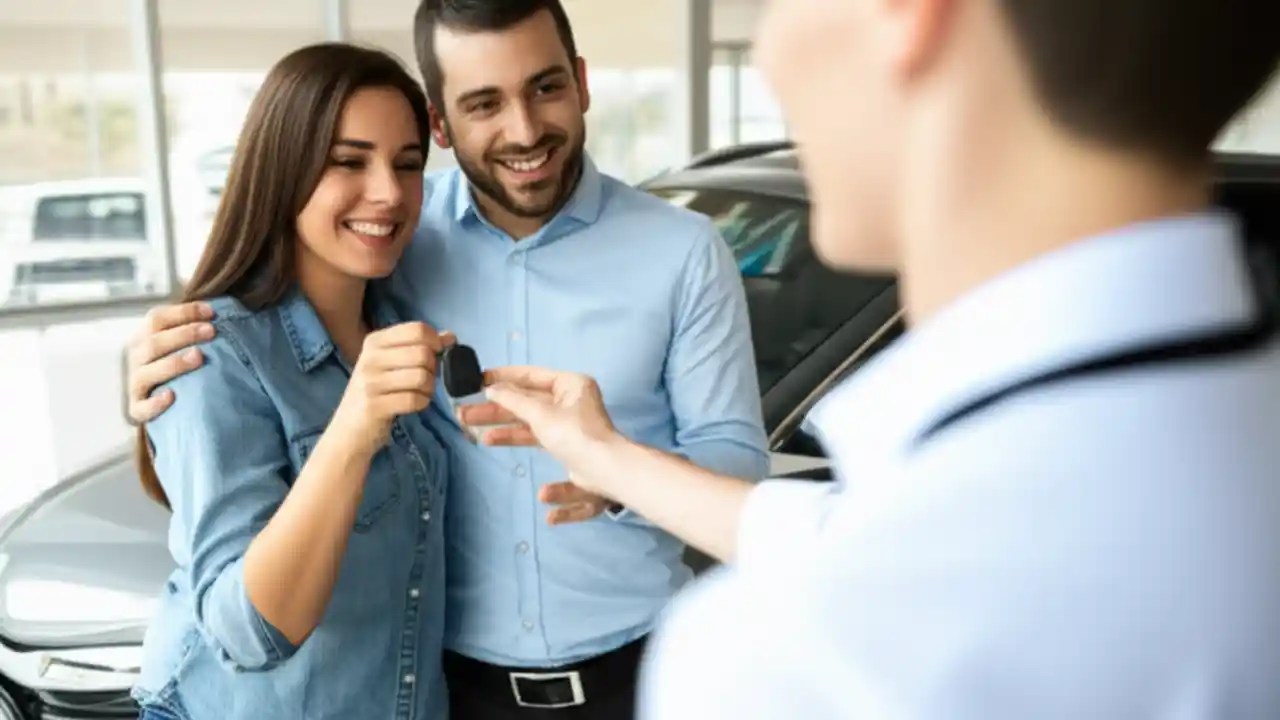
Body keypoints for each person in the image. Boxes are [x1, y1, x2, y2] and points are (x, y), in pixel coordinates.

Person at [463, 0, 1280, 717]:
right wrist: (609, 459)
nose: (771, 58)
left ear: (906, 12)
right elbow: (831, 534)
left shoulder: (794, 659)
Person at [124, 2, 769, 718]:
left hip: (639, 673)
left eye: (545, 87)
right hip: (455, 687)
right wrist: (171, 350)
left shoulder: (682, 250)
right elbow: (272, 283)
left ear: (582, 83)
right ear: (441, 122)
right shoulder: (392, 232)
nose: (524, 130)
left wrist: (621, 475)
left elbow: (737, 460)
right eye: (484, 103)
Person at [129, 43, 453, 720]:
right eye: (349, 161)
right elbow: (246, 633)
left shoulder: (400, 316)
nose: (389, 192)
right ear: (282, 168)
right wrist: (353, 430)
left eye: (408, 164)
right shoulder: (210, 354)